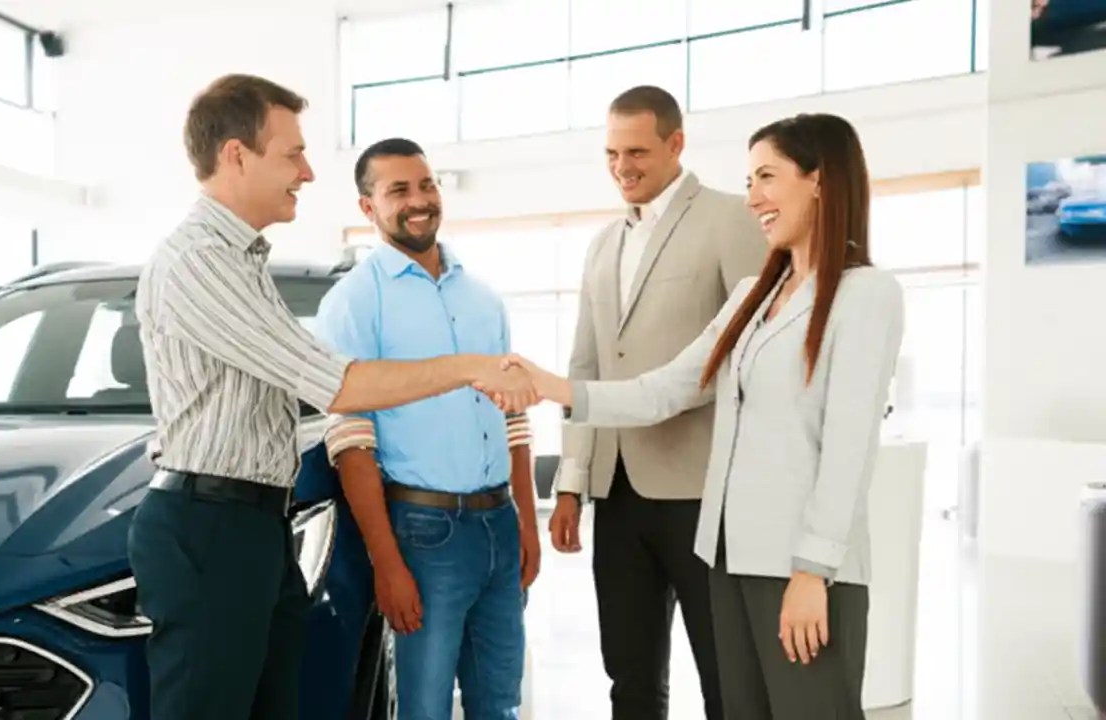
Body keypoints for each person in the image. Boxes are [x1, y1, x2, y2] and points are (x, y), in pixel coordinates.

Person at [128, 74, 537, 720]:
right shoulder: (199, 262)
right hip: (210, 527)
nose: (308, 172)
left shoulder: (242, 261)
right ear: (237, 155)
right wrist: (470, 369)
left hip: (257, 524)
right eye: (292, 153)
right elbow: (338, 385)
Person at [495, 112, 905, 720]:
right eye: (749, 181)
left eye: (767, 176)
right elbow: (663, 391)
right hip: (729, 559)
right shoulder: (752, 297)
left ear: (820, 179)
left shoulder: (866, 294)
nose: (753, 198)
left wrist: (813, 572)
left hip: (801, 567)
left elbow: (848, 446)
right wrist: (552, 386)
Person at [546, 85, 765, 719]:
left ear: (676, 143)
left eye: (637, 152)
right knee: (630, 676)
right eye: (611, 154)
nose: (622, 167)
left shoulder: (731, 219)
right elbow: (585, 365)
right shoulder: (601, 244)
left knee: (726, 676)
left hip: (702, 490)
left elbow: (749, 354)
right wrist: (571, 482)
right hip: (616, 495)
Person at [312, 137, 539, 720]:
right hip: (424, 533)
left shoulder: (483, 297)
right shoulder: (354, 302)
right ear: (368, 207)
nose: (419, 200)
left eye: (427, 184)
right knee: (425, 709)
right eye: (399, 190)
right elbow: (350, 441)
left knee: (501, 704)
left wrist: (526, 521)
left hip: (499, 521)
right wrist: (386, 563)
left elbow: (512, 415)